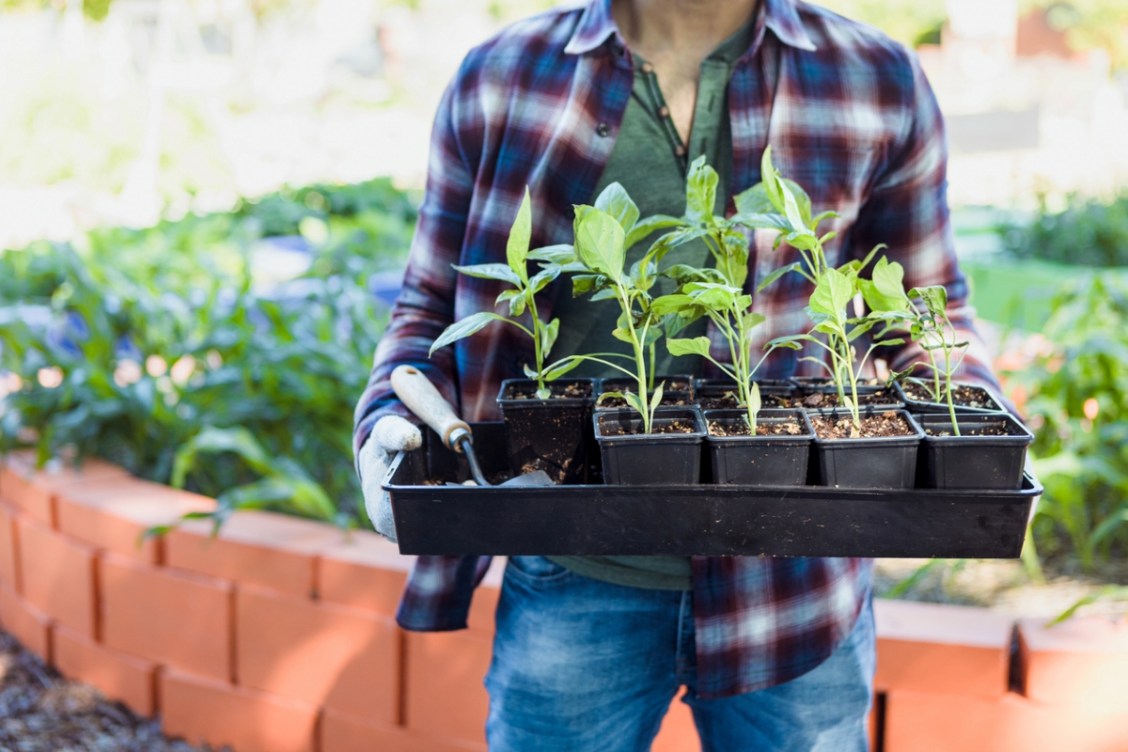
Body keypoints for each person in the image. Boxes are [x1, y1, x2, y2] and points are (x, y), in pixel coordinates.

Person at [354, 0, 1000, 749]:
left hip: (796, 585)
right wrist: (384, 422)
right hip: (572, 569)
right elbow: (429, 304)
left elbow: (928, 311)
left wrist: (975, 421)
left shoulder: (875, 78)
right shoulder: (501, 75)